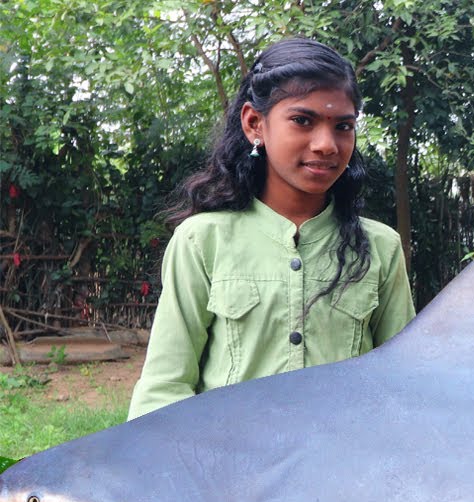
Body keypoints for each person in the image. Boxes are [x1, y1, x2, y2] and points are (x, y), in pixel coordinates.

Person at [129, 38, 415, 419]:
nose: (327, 144)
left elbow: (402, 382)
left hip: (344, 469)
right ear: (254, 124)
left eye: (343, 126)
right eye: (303, 120)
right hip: (227, 468)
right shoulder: (203, 241)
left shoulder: (380, 247)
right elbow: (166, 386)